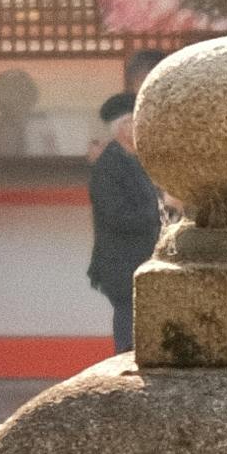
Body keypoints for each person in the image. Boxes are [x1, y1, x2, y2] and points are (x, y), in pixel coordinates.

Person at [86, 86, 163, 353]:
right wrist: (160, 211)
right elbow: (116, 216)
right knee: (127, 326)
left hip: (139, 257)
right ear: (120, 128)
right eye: (132, 122)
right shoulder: (109, 166)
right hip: (120, 261)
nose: (137, 127)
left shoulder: (137, 160)